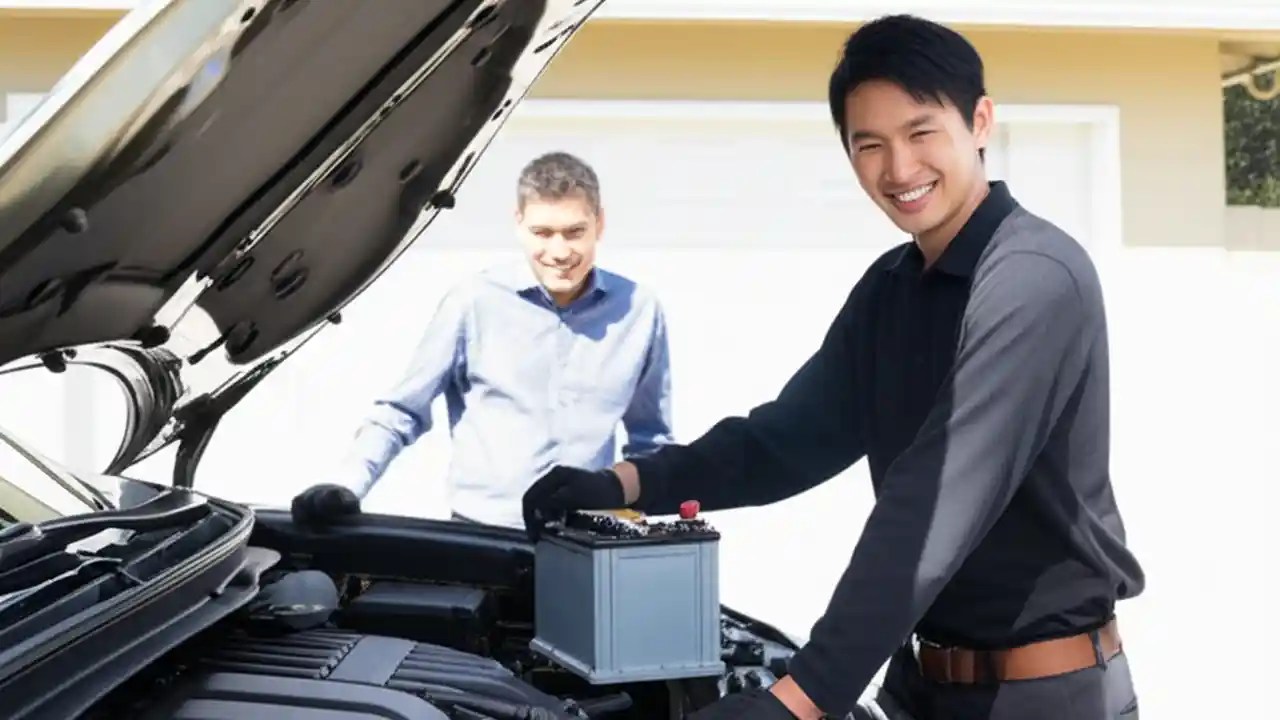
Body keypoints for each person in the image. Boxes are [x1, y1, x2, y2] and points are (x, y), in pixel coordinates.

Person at [520, 15, 1144, 720]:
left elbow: (934, 501)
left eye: (920, 133)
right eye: (869, 145)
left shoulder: (1033, 279)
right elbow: (783, 443)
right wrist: (623, 483)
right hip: (922, 683)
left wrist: (801, 699)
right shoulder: (893, 289)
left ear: (979, 121)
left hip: (1042, 697)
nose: (899, 170)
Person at [292, 151, 674, 529]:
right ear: (518, 223)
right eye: (542, 233)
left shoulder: (638, 310)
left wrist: (656, 542)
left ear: (599, 224)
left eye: (574, 233)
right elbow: (402, 412)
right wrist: (345, 488)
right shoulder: (473, 302)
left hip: (587, 538)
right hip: (480, 536)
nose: (559, 252)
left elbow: (651, 443)